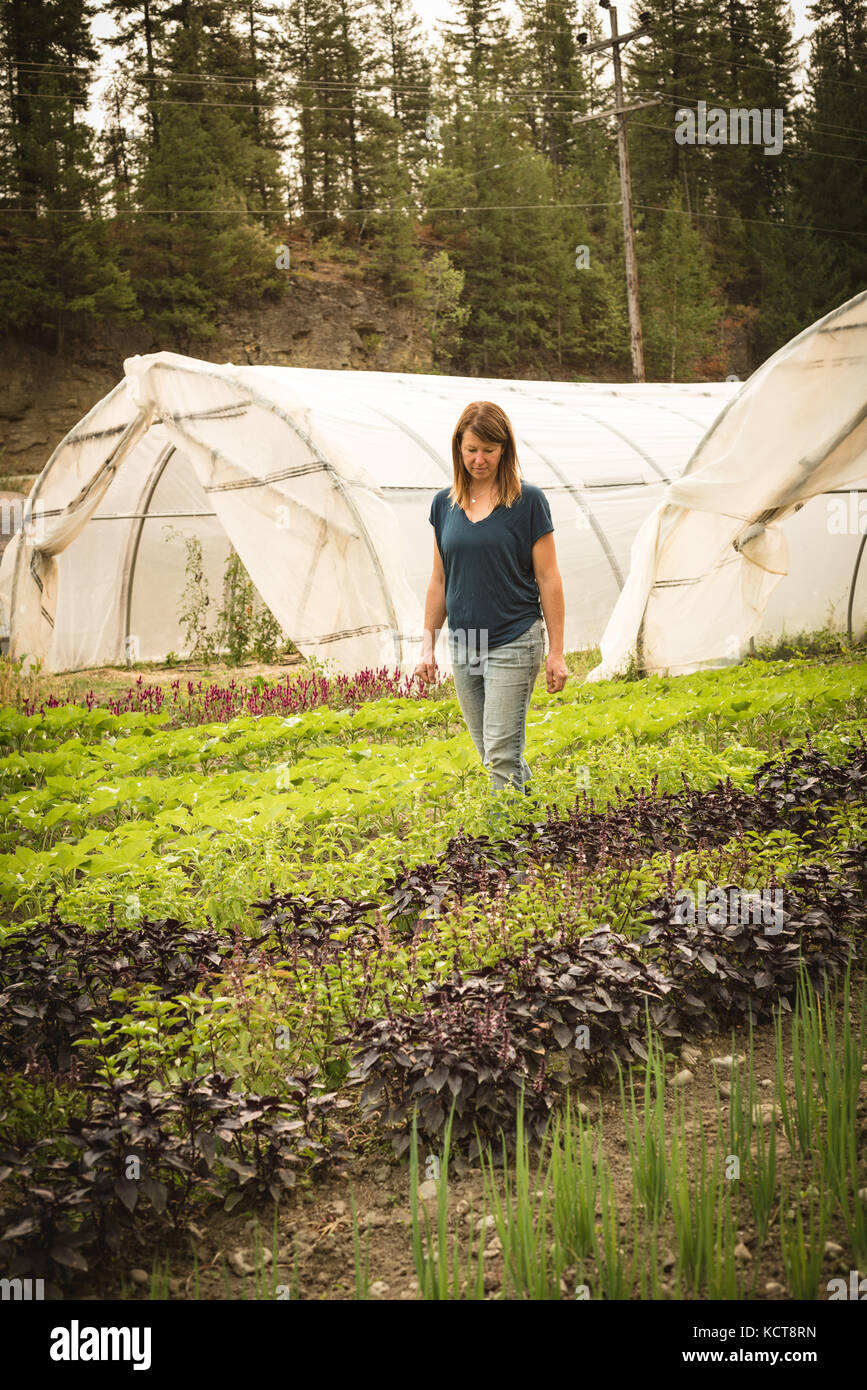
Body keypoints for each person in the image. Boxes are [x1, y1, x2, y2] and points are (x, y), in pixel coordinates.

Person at [413, 401, 568, 811]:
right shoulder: (443, 506)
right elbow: (439, 580)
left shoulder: (528, 502)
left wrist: (556, 651)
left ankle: (506, 849)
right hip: (467, 644)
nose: (479, 459)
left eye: (489, 449)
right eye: (471, 450)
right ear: (458, 450)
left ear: (505, 450)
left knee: (501, 751)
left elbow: (549, 578)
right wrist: (427, 645)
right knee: (494, 752)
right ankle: (539, 825)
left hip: (513, 638)